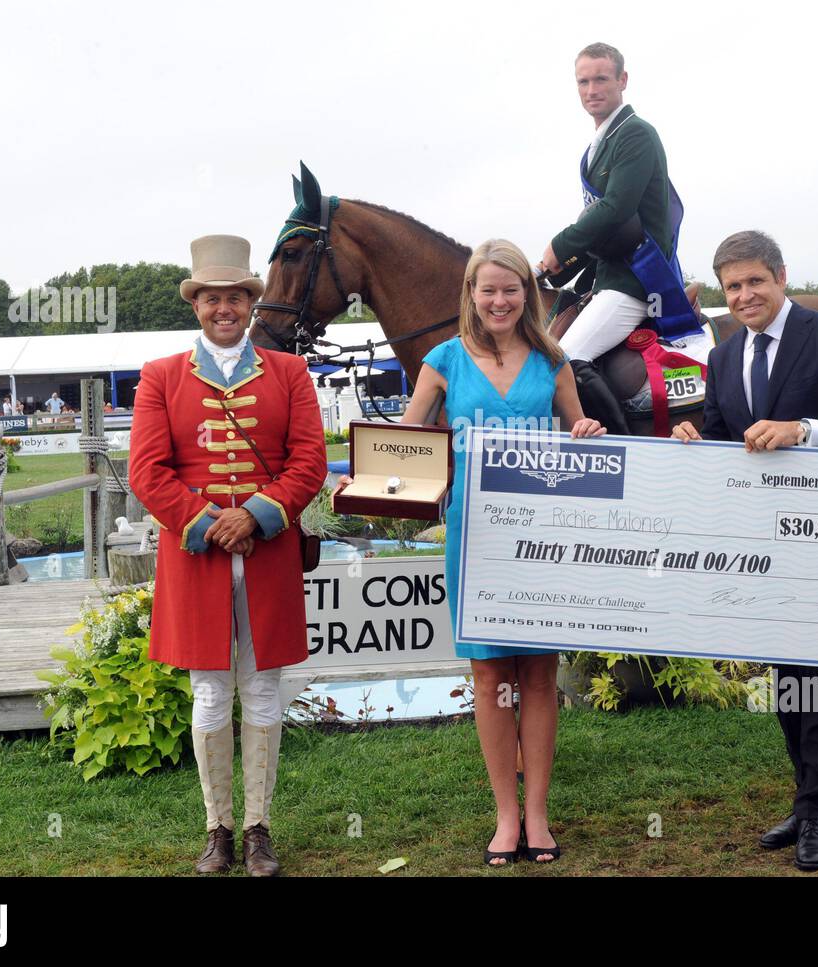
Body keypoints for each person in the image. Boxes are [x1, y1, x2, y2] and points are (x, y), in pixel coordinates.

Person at [356, 239, 603, 866]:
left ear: (529, 293)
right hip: (475, 538)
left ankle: (539, 814)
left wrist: (583, 431)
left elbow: (576, 431)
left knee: (541, 677)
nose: (499, 300)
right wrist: (364, 476)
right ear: (471, 293)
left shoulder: (554, 362)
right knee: (491, 676)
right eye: (488, 289)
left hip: (542, 539)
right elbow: (408, 441)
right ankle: (504, 816)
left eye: (511, 288)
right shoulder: (442, 360)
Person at [672, 231, 818, 871]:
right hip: (763, 548)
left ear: (780, 277)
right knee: (789, 682)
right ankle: (806, 800)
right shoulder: (722, 357)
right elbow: (724, 443)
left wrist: (805, 430)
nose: (744, 296)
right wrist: (695, 443)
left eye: (754, 282)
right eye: (732, 286)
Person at [129, 234, 326, 876]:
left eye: (236, 297)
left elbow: (309, 462)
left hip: (266, 556)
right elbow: (146, 471)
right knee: (210, 695)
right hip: (197, 560)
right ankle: (216, 829)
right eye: (212, 298)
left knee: (264, 689)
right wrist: (210, 522)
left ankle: (259, 828)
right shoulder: (159, 377)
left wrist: (257, 515)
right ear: (197, 304)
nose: (224, 308)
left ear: (250, 302)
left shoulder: (290, 373)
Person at [537, 42, 690, 435]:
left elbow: (617, 209)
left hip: (637, 280)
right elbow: (604, 228)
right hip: (606, 276)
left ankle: (623, 446)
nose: (592, 90)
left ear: (623, 80)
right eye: (583, 82)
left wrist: (559, 246)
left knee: (567, 359)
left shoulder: (635, 134)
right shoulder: (595, 147)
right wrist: (554, 269)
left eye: (601, 79)